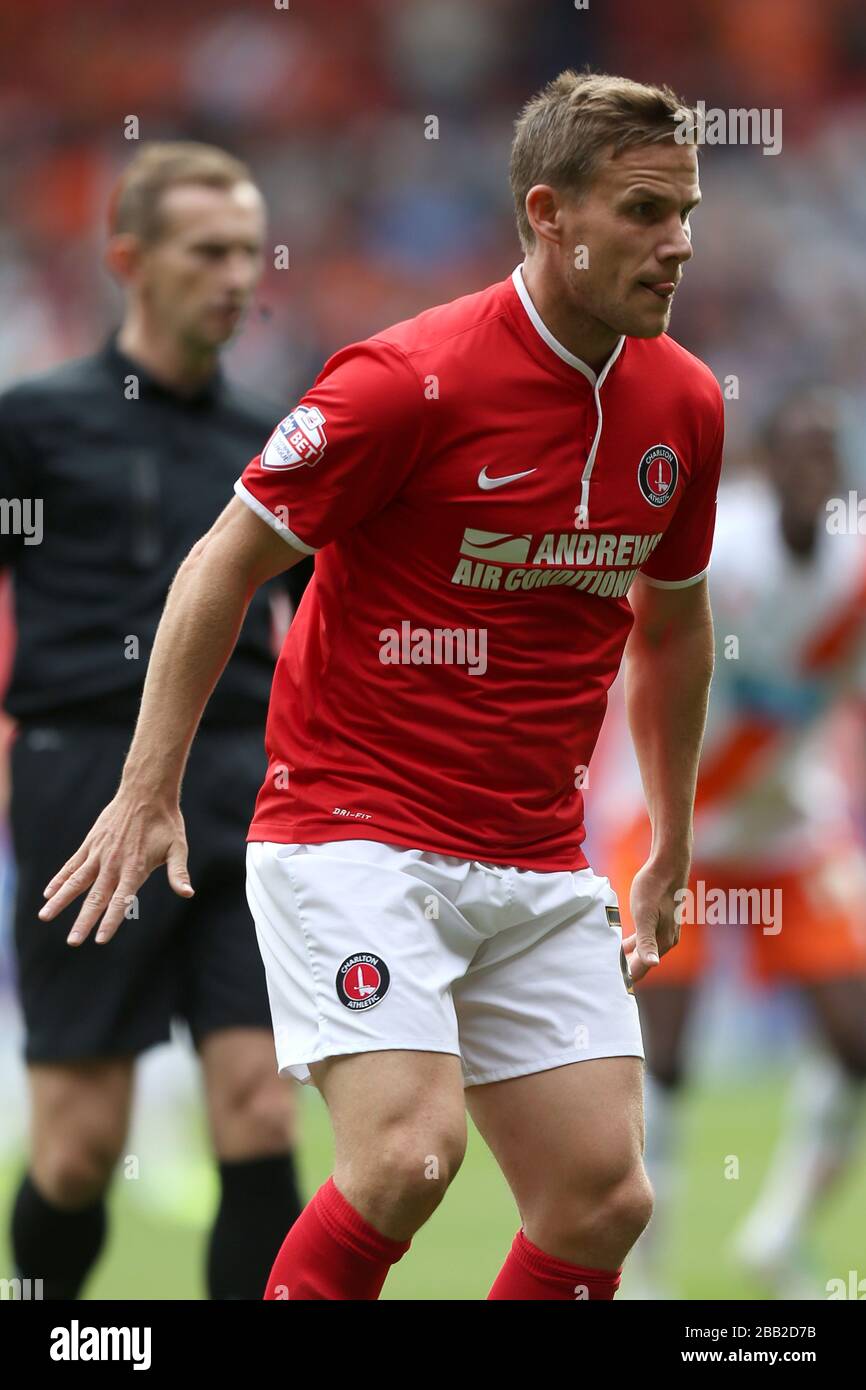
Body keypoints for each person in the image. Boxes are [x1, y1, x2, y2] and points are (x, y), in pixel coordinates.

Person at [39, 71, 723, 1301]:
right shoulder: (405, 379)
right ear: (548, 212)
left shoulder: (683, 403)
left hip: (535, 851)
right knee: (408, 1155)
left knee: (601, 1199)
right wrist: (150, 789)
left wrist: (668, 837)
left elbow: (672, 632)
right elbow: (222, 562)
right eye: (642, 212)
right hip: (357, 831)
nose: (676, 243)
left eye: (684, 210)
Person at [3, 143, 308, 1300]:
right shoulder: (32, 425)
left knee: (259, 1105)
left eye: (248, 251)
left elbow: (322, 619)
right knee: (79, 1147)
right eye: (208, 251)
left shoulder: (282, 437)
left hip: (245, 780)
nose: (238, 275)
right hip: (82, 783)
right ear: (129, 261)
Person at [604, 386, 866, 1298]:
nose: (812, 474)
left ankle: (777, 1237)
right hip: (676, 823)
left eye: (826, 459)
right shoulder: (714, 549)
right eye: (795, 456)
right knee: (664, 1052)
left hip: (788, 829)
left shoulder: (856, 572)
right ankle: (644, 1269)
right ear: (764, 466)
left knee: (857, 1038)